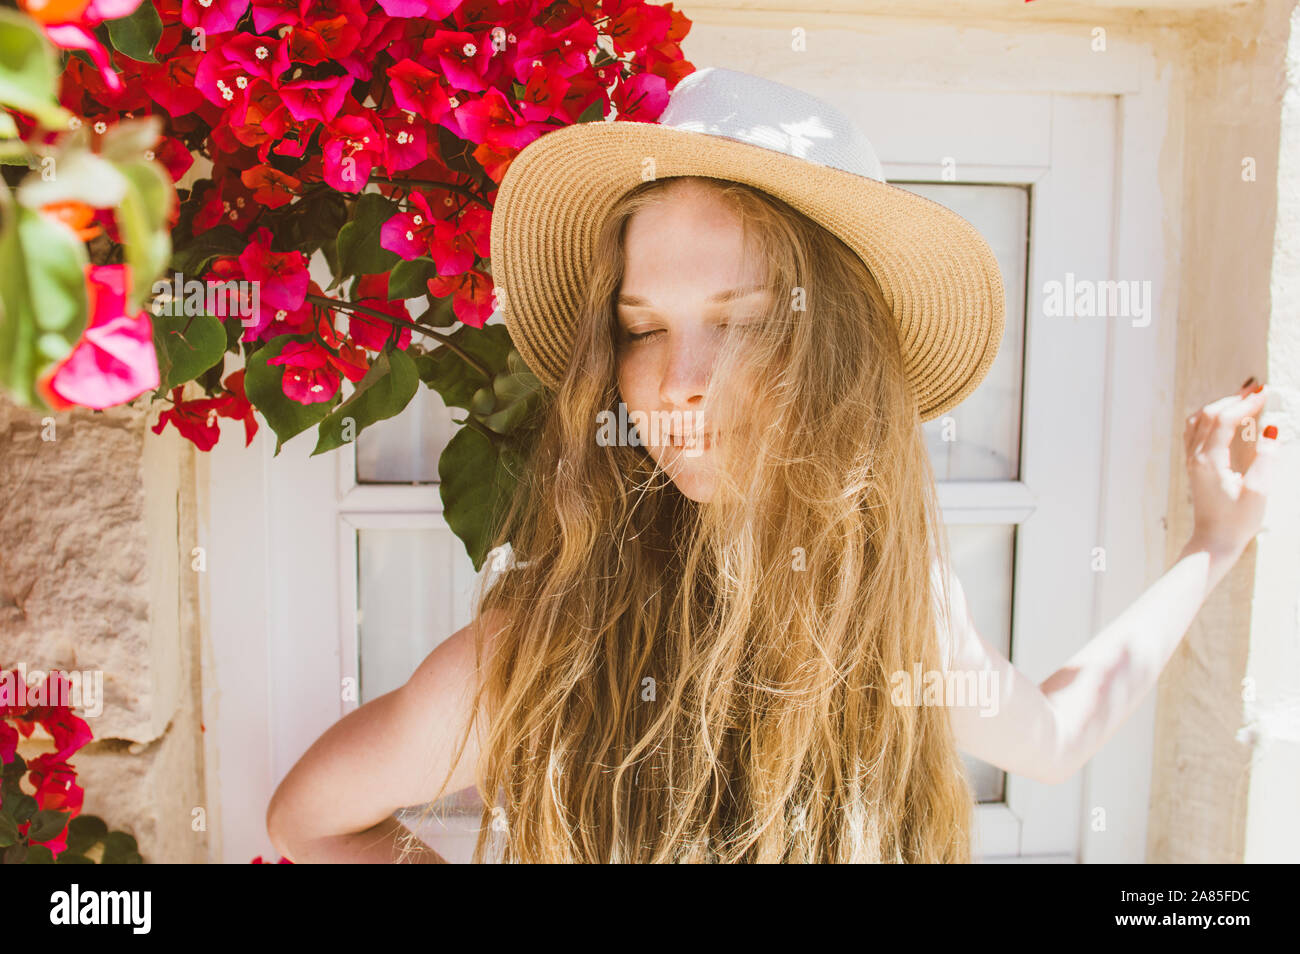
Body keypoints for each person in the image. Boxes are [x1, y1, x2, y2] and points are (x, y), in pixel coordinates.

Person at [266, 68, 1278, 863]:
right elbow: (309, 820)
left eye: (741, 323)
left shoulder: (893, 611)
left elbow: (1054, 736)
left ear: (834, 351)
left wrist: (1213, 544)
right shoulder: (537, 664)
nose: (677, 382)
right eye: (641, 327)